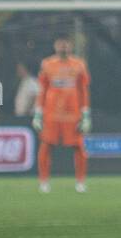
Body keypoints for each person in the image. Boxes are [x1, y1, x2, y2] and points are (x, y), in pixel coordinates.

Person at [34, 36, 91, 194]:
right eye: (60, 44)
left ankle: (80, 182)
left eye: (66, 44)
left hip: (72, 114)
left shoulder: (79, 64)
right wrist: (38, 113)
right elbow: (42, 89)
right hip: (51, 113)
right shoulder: (47, 64)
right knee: (46, 145)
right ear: (55, 46)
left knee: (79, 146)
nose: (63, 47)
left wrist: (85, 113)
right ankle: (44, 182)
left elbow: (83, 90)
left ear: (71, 46)